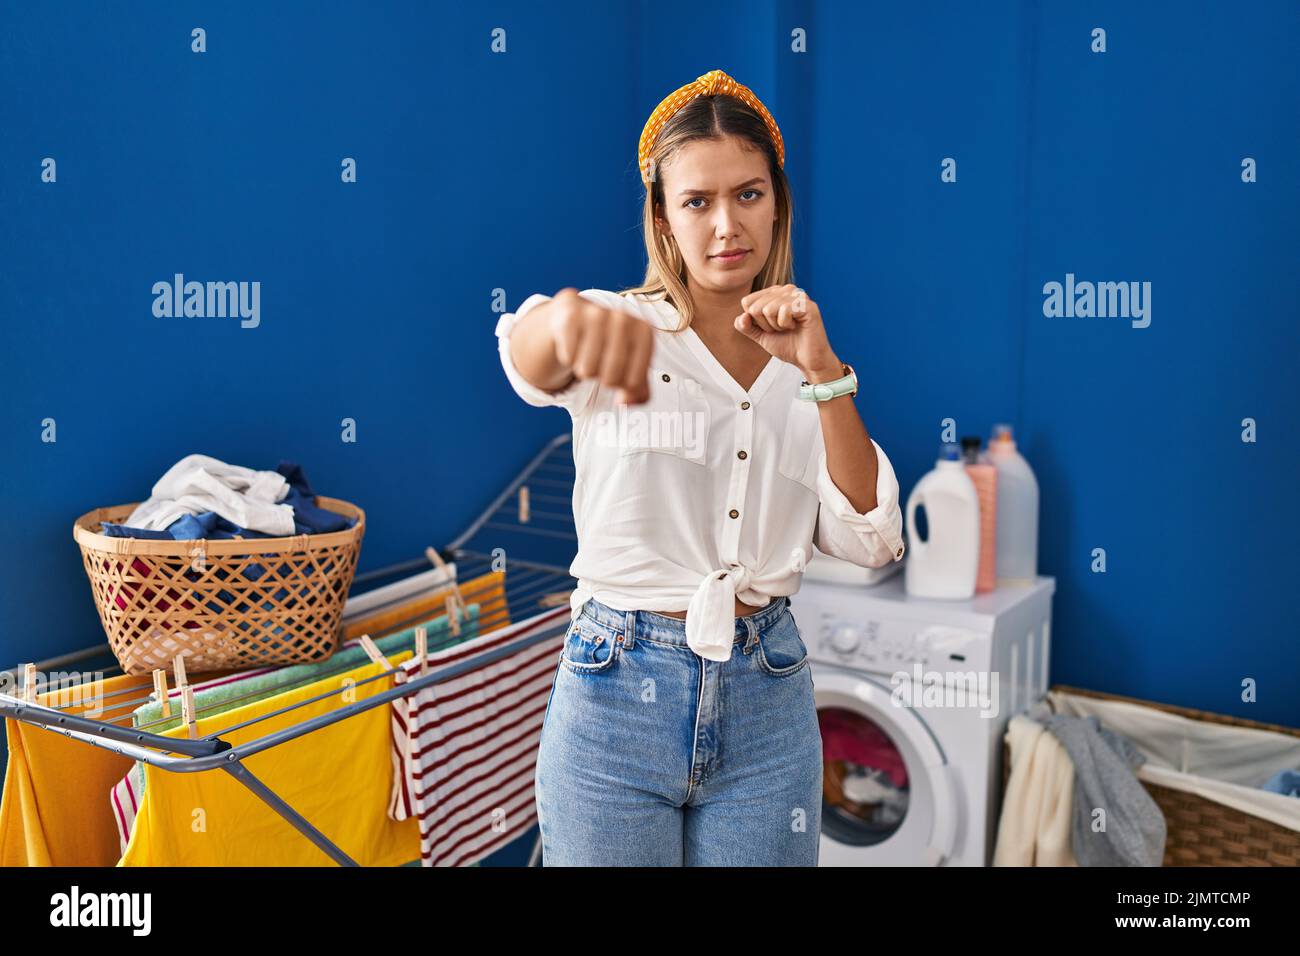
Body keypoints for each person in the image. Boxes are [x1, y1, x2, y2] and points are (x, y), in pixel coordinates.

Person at [494, 69, 906, 866]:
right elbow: (526, 353)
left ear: (777, 201)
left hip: (768, 693)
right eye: (697, 201)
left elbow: (869, 536)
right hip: (615, 692)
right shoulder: (619, 325)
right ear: (662, 215)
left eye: (748, 195)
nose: (727, 224)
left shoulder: (807, 366)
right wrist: (564, 319)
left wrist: (824, 373)